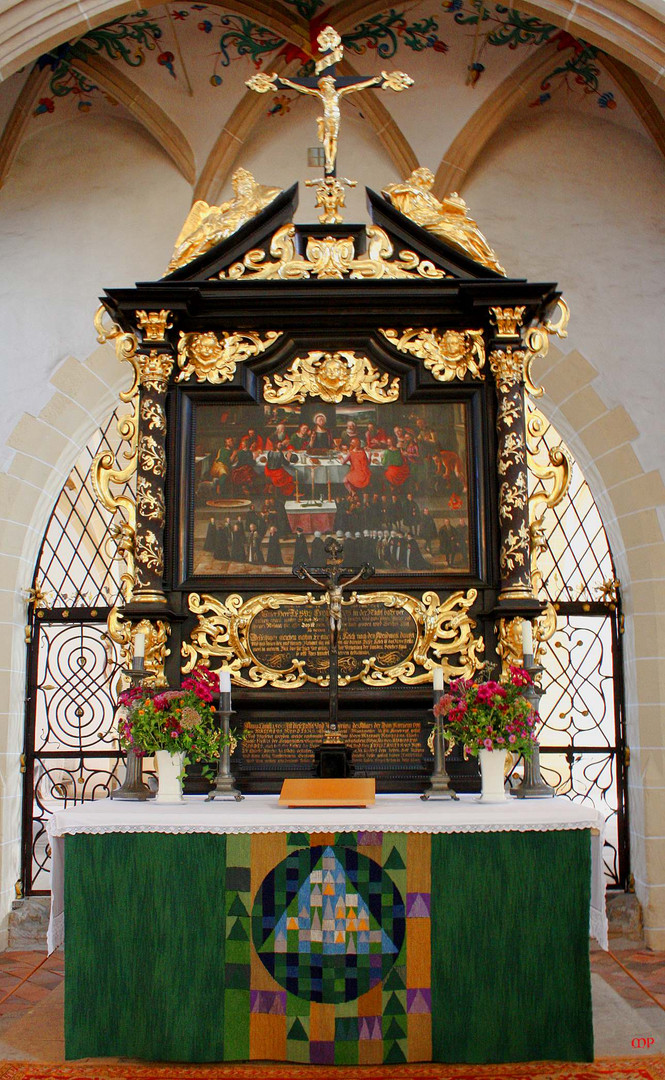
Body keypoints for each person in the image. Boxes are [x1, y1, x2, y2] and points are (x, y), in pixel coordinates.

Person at [382, 166, 506, 274]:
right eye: (425, 176)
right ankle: (479, 261)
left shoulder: (429, 196)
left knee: (469, 227)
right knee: (455, 232)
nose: (428, 180)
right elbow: (390, 193)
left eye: (430, 179)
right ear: (416, 177)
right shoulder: (401, 189)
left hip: (433, 217)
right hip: (421, 219)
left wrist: (451, 206)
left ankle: (487, 261)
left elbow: (439, 209)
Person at [166, 168, 281, 272]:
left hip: (228, 230)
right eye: (239, 184)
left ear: (252, 184)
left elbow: (277, 194)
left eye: (246, 182)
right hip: (214, 225)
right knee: (191, 240)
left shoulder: (257, 198)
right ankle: (176, 265)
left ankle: (190, 265)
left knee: (208, 240)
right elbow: (216, 212)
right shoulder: (231, 203)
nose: (243, 186)